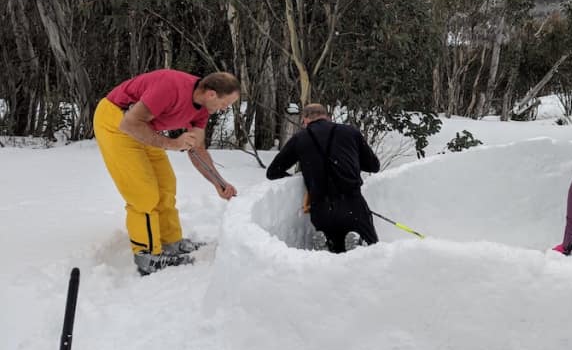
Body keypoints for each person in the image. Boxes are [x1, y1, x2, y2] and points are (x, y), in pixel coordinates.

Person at [94, 70, 240, 275]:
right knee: (143, 193)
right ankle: (146, 254)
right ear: (211, 94)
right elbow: (129, 123)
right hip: (116, 123)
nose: (225, 109)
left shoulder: (202, 110)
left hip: (144, 127)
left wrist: (218, 182)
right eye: (226, 103)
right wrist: (171, 143)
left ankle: (171, 242)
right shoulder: (170, 87)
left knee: (166, 185)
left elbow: (196, 148)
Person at [266, 103, 380, 254]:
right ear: (327, 117)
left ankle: (328, 243)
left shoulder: (300, 138)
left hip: (321, 205)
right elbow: (374, 166)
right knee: (374, 250)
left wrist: (303, 176)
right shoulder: (350, 132)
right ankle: (358, 243)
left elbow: (273, 172)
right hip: (352, 202)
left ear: (305, 119)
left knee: (333, 252)